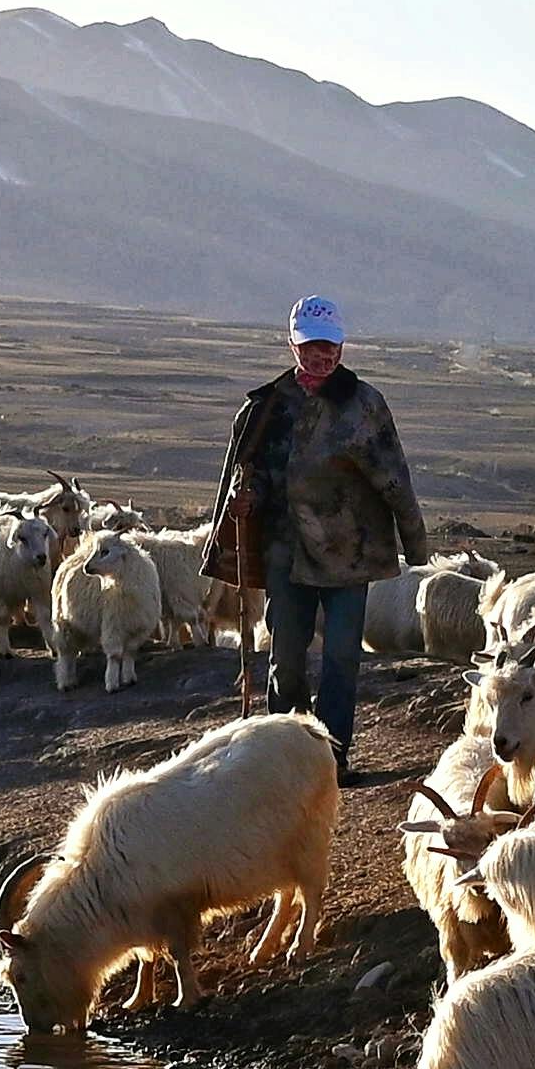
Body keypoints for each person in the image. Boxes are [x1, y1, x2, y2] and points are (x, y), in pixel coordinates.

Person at [212, 294, 423, 768]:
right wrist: (244, 499)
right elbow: (255, 474)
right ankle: (285, 752)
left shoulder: (364, 405)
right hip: (287, 551)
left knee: (342, 659)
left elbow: (393, 474)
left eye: (330, 347)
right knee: (285, 658)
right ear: (293, 345)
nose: (322, 356)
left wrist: (415, 541)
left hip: (351, 554)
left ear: (343, 347)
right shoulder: (268, 408)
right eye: (311, 347)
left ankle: (332, 757)